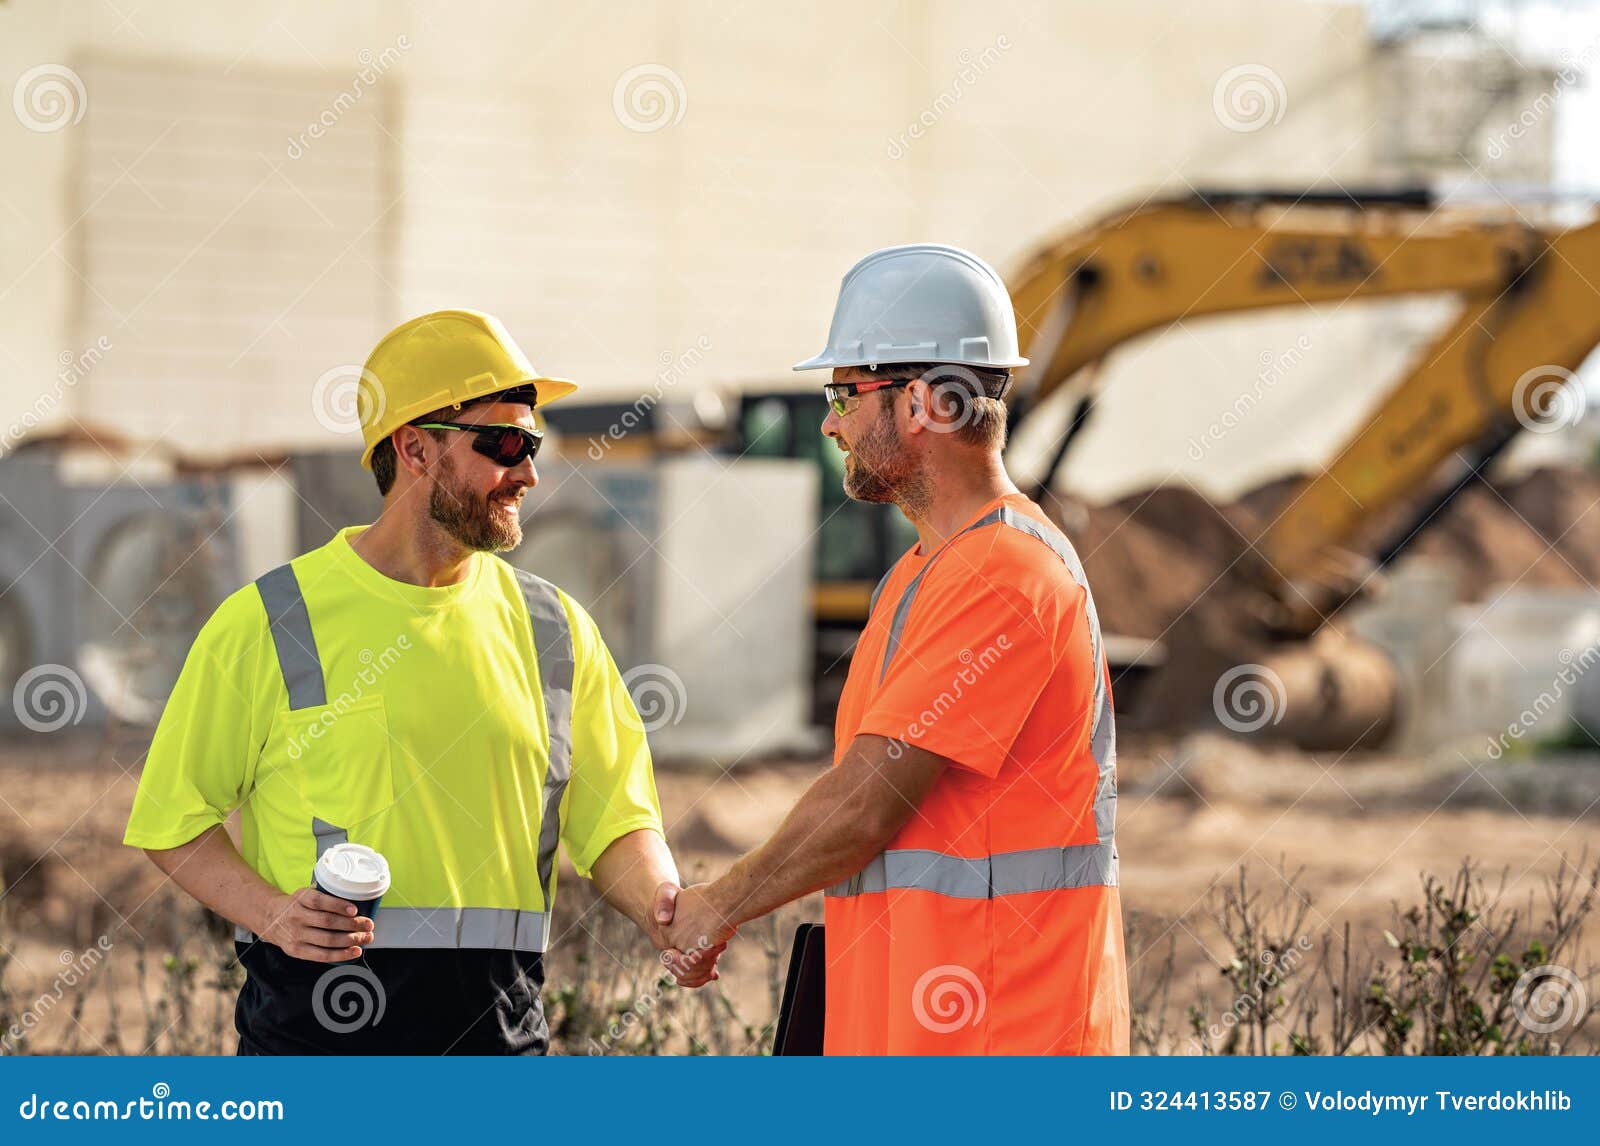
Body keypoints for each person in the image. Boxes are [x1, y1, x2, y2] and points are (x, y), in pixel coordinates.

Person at [124, 309, 719, 1056]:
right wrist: (272, 912)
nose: (529, 472)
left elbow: (617, 824)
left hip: (498, 1051)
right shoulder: (272, 623)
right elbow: (171, 822)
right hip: (317, 1047)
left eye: (534, 446)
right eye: (506, 443)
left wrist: (668, 911)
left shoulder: (554, 630)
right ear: (414, 448)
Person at [662, 245, 1129, 1054]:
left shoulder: (1004, 573)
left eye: (845, 392)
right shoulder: (925, 573)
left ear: (921, 403)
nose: (832, 421)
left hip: (1001, 1041)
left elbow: (866, 805)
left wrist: (720, 904)